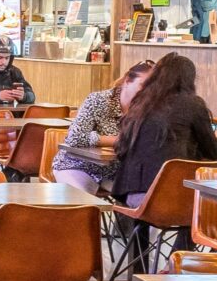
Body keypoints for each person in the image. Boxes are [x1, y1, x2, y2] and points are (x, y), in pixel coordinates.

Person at [110, 52, 217, 199]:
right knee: (213, 206)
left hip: (133, 192)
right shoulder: (193, 104)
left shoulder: (140, 102)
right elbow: (213, 151)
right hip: (177, 195)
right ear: (189, 80)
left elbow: (120, 148)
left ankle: (139, 223)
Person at [49, 60, 155, 192]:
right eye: (143, 85)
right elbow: (74, 138)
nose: (148, 92)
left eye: (153, 88)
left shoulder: (150, 110)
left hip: (116, 171)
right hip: (78, 165)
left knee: (144, 199)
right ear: (128, 81)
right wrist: (118, 141)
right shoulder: (98, 100)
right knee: (82, 204)